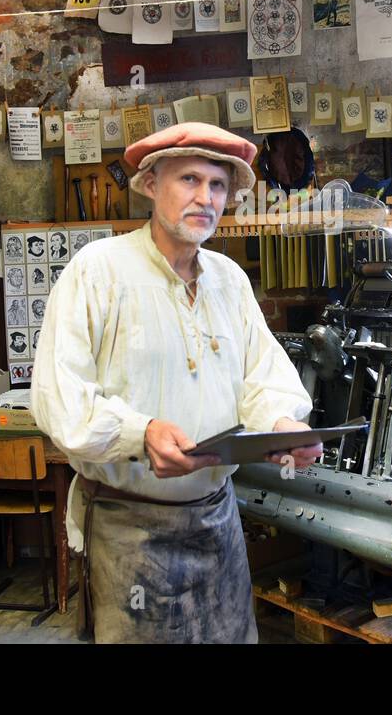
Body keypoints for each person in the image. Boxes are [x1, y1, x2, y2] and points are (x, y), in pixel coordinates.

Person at [31, 122, 320, 643]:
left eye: (217, 186)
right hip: (129, 532)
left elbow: (263, 375)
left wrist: (281, 425)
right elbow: (60, 401)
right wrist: (140, 433)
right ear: (150, 184)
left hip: (217, 521)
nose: (205, 197)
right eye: (189, 179)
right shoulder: (97, 271)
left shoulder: (229, 281)